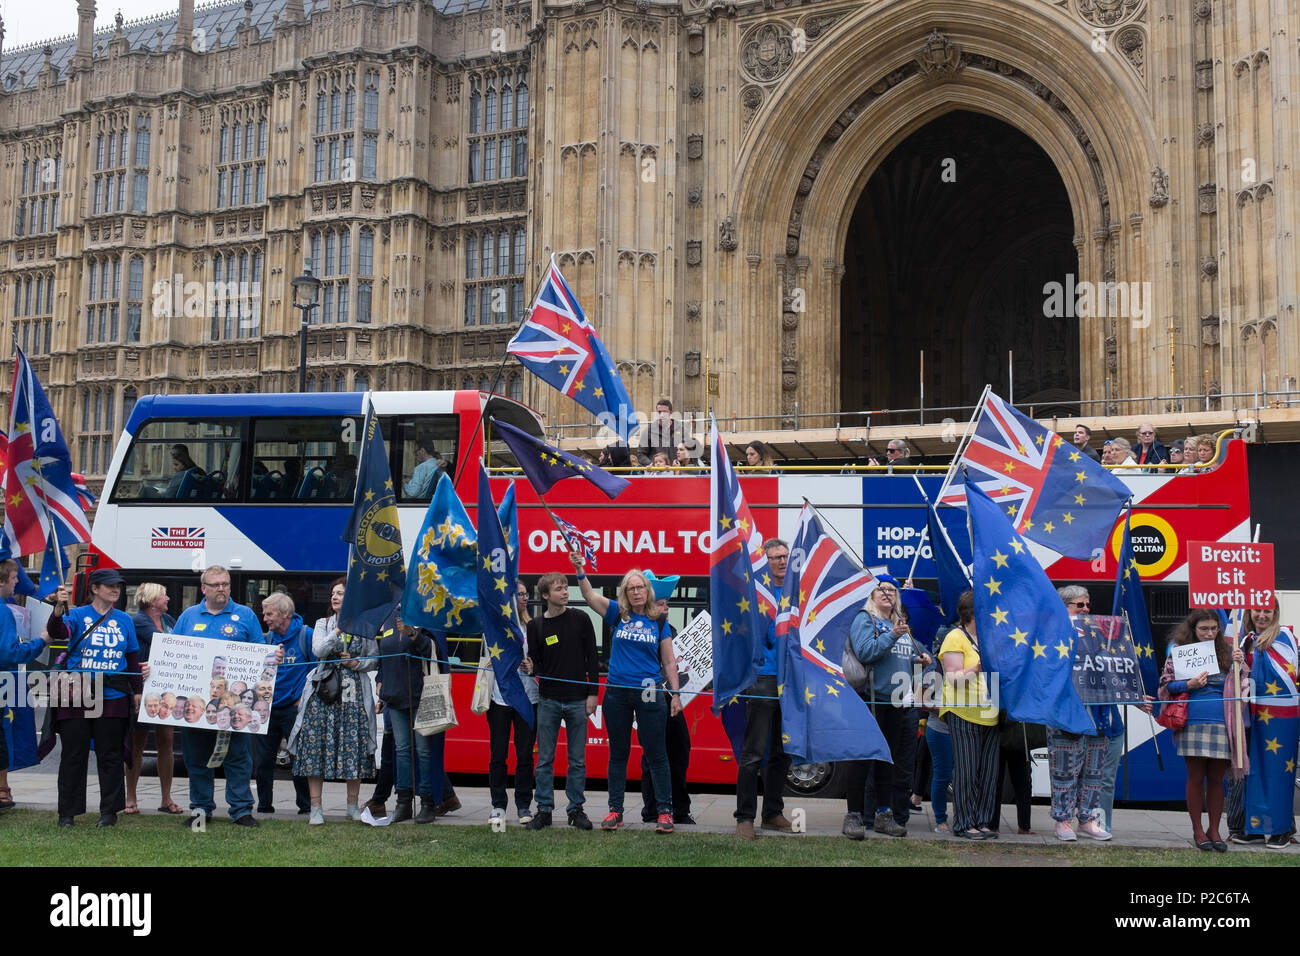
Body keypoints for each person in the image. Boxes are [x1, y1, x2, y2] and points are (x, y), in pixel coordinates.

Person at [570, 550, 682, 833]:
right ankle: (615, 811)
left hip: (650, 692)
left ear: (648, 590)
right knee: (618, 753)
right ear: (625, 593)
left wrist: (676, 694)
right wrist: (580, 569)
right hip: (617, 693)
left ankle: (665, 812)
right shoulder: (617, 614)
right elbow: (589, 596)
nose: (636, 592)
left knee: (657, 753)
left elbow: (669, 661)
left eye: (640, 586)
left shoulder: (659, 621)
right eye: (631, 588)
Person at [168, 564, 277, 828]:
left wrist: (274, 658)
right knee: (196, 759)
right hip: (198, 705)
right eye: (216, 584)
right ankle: (200, 809)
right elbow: (172, 653)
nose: (221, 589)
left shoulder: (245, 615)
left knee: (238, 757)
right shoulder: (189, 617)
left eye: (225, 584)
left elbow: (261, 655)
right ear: (203, 588)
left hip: (234, 705)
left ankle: (241, 810)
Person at [45, 568, 141, 828]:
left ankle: (109, 812)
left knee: (109, 755)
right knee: (73, 754)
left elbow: (131, 657)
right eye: (109, 585)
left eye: (118, 586)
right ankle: (67, 813)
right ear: (95, 589)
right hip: (77, 692)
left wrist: (138, 692)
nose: (115, 590)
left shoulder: (124, 619)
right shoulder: (75, 614)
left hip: (113, 695)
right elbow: (58, 632)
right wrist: (58, 609)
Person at [288, 577, 379, 825]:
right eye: (333, 594)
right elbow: (318, 651)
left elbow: (374, 659)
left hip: (353, 697)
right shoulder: (322, 623)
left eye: (340, 593)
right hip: (323, 696)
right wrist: (338, 631)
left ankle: (352, 806)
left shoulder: (366, 625)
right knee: (315, 750)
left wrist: (356, 663)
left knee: (354, 748)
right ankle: (316, 809)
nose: (335, 597)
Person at [845, 576, 930, 838]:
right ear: (871, 595)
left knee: (887, 762)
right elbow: (866, 652)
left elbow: (905, 668)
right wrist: (891, 636)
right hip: (870, 700)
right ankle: (854, 817)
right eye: (881, 589)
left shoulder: (899, 625)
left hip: (897, 703)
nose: (887, 593)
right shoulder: (865, 619)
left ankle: (884, 815)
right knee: (862, 762)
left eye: (892, 590)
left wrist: (921, 662)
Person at [1159, 609, 1247, 852]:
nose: (1209, 633)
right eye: (1204, 629)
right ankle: (1198, 830)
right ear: (1193, 630)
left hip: (1224, 723)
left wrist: (1240, 666)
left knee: (1218, 780)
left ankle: (1215, 830)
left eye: (1213, 628)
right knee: (1196, 778)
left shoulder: (1229, 652)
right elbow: (1165, 686)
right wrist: (1189, 684)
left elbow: (1244, 687)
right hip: (1193, 723)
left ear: (1219, 630)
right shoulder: (1180, 652)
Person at [525, 571, 600, 831]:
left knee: (577, 760)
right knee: (545, 759)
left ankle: (575, 809)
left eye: (566, 587)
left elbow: (593, 659)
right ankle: (544, 810)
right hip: (549, 700)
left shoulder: (581, 619)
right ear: (545, 595)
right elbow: (537, 665)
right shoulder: (536, 626)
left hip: (579, 700)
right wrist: (530, 667)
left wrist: (593, 694)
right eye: (559, 589)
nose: (566, 592)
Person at [735, 539, 794, 840]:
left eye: (785, 556)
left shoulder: (797, 591)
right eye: (775, 558)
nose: (782, 561)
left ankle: (772, 812)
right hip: (763, 677)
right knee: (753, 752)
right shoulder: (757, 593)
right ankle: (744, 817)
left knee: (782, 754)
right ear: (766, 562)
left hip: (792, 680)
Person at [1059, 585, 1125, 835]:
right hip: (1070, 718)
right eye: (1079, 605)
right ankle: (1064, 821)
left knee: (1098, 777)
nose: (1086, 609)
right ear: (1065, 608)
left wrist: (1136, 697)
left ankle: (1094, 822)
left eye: (1088, 604)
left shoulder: (1100, 636)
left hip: (1103, 720)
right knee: (1066, 775)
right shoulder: (1058, 634)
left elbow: (1116, 673)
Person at [939, 590, 1001, 840]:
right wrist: (976, 667)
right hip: (963, 711)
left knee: (988, 772)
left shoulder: (989, 638)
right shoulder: (955, 637)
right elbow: (953, 678)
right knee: (967, 771)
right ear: (972, 612)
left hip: (990, 712)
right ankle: (964, 823)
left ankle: (983, 821)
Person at [374, 604, 444, 824]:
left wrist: (413, 633)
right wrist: (379, 683)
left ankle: (427, 803)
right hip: (394, 696)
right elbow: (384, 656)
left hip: (420, 695)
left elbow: (433, 652)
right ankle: (403, 803)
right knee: (402, 751)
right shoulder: (388, 618)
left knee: (423, 752)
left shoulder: (425, 615)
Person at [1235, 603, 1298, 849]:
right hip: (1254, 713)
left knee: (1278, 774)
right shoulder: (1247, 641)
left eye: (1267, 611)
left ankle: (1281, 830)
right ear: (1250, 614)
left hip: (1282, 715)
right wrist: (1238, 662)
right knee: (1255, 771)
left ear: (1275, 614)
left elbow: (1288, 674)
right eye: (1257, 610)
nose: (1262, 615)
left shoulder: (1285, 636)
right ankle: (1256, 827)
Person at [640, 574, 694, 825]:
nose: (666, 608)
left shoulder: (669, 630)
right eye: (661, 604)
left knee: (680, 752)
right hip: (651, 700)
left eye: (667, 604)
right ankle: (652, 810)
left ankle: (681, 810)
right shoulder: (643, 629)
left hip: (672, 701)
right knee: (653, 757)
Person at [486, 580, 540, 826]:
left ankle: (523, 804)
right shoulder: (495, 626)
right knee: (498, 754)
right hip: (500, 698)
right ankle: (498, 805)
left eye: (525, 593)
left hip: (528, 698)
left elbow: (543, 660)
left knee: (525, 755)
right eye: (518, 594)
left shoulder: (534, 626)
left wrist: (533, 666)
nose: (524, 598)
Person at [256, 591, 314, 815]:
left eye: (269, 614)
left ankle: (306, 806)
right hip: (268, 709)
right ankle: (263, 806)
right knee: (262, 761)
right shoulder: (267, 638)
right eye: (264, 613)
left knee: (298, 759)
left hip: (293, 709)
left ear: (285, 614)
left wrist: (302, 698)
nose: (265, 618)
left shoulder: (305, 635)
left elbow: (316, 668)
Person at [0, 559, 50, 811]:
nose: (17, 581)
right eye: (13, 578)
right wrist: (40, 641)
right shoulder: (3, 612)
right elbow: (9, 654)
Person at [636, 398, 689, 466]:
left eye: (665, 412)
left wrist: (681, 465)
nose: (662, 415)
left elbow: (688, 452)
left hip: (676, 472)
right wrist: (652, 465)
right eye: (659, 412)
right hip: (657, 473)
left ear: (670, 413)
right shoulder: (648, 431)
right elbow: (641, 454)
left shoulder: (681, 430)